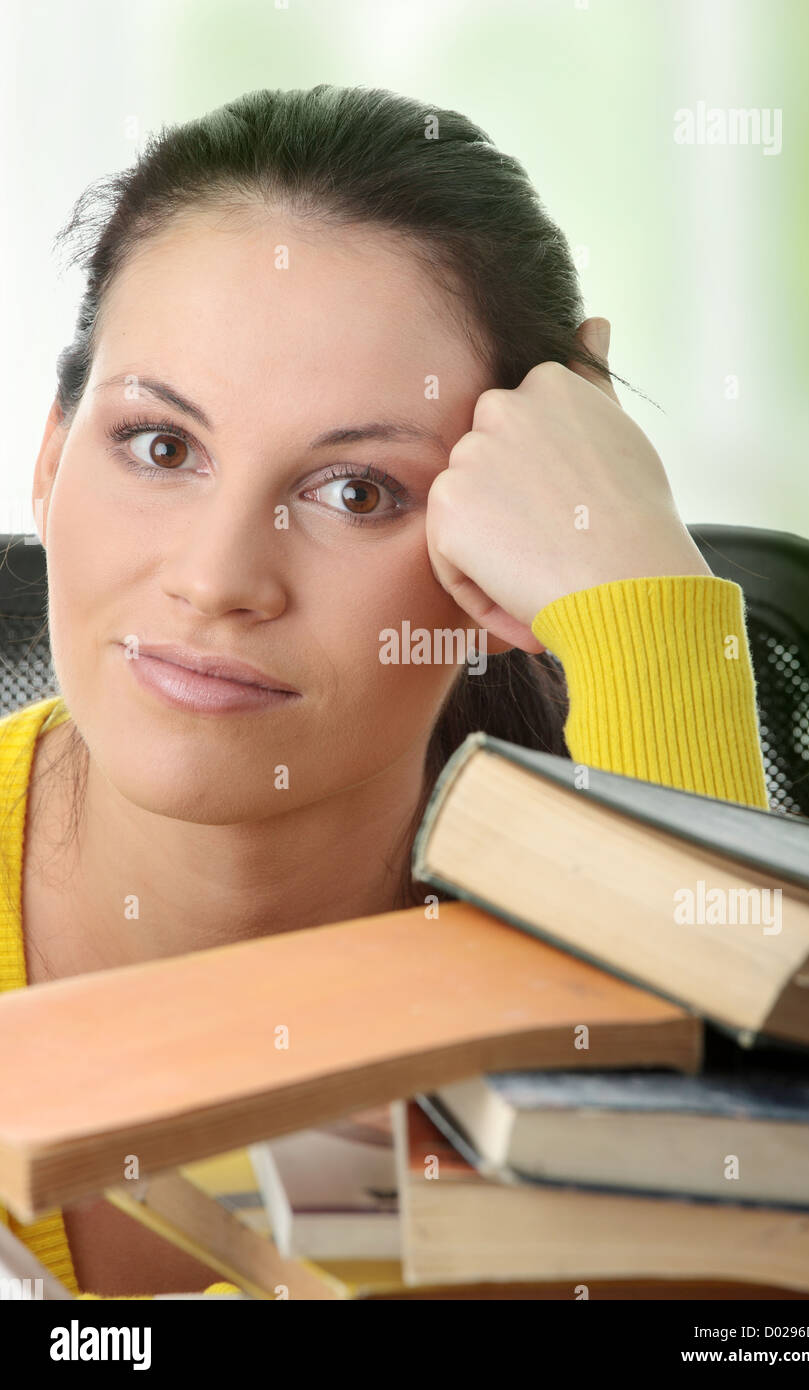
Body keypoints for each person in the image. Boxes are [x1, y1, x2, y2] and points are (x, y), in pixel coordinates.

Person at [0, 84, 769, 1299]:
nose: (217, 579)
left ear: (489, 538)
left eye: (356, 490)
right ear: (49, 459)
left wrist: (637, 601)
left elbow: (749, 1284)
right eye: (160, 445)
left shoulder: (570, 957)